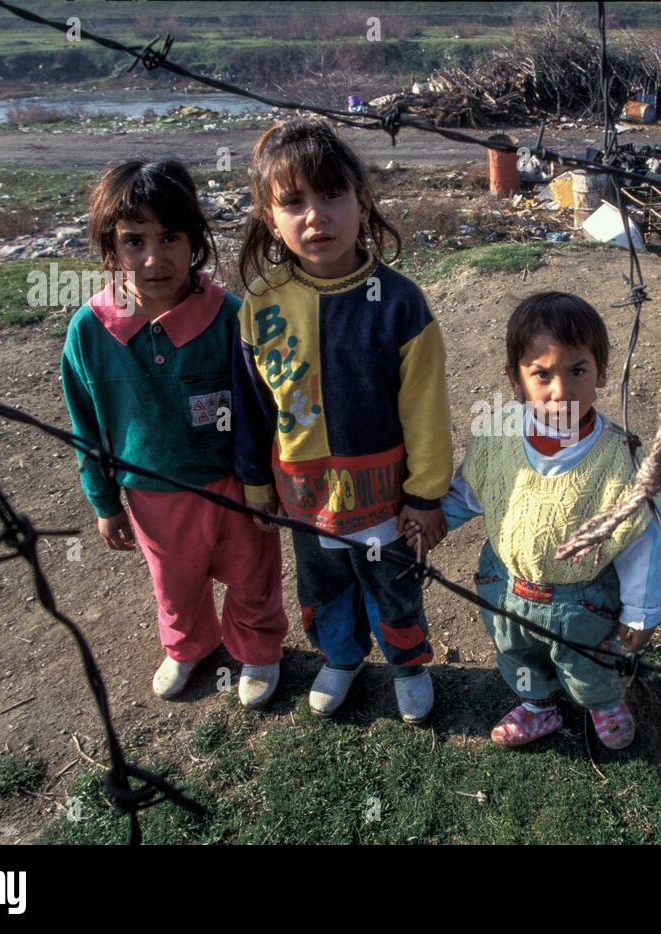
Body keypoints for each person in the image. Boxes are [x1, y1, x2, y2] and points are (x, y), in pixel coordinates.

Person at [232, 119, 452, 725]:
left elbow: (426, 410)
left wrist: (426, 494)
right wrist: (255, 486)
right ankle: (342, 657)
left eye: (331, 195)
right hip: (303, 496)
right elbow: (251, 407)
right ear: (268, 216)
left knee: (394, 588)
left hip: (385, 502)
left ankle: (409, 666)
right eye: (294, 202)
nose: (315, 217)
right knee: (324, 586)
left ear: (362, 199)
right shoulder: (260, 304)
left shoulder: (401, 303)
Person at [61, 160, 289, 708]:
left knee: (253, 576)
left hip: (235, 487)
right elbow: (84, 424)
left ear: (196, 241)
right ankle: (189, 645)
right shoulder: (90, 330)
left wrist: (268, 483)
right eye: (134, 240)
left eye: (170, 238)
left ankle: (259, 651)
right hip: (153, 496)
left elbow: (264, 410)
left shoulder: (231, 318)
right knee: (175, 585)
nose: (154, 258)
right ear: (110, 247)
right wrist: (103, 500)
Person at [439, 292, 661, 750]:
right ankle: (538, 705)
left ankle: (603, 703)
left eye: (576, 371)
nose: (560, 391)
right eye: (542, 375)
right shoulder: (498, 435)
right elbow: (475, 490)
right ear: (515, 378)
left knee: (586, 662)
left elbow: (642, 540)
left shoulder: (621, 461)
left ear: (601, 372)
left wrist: (642, 611)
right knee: (514, 651)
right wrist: (434, 521)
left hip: (583, 598)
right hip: (504, 584)